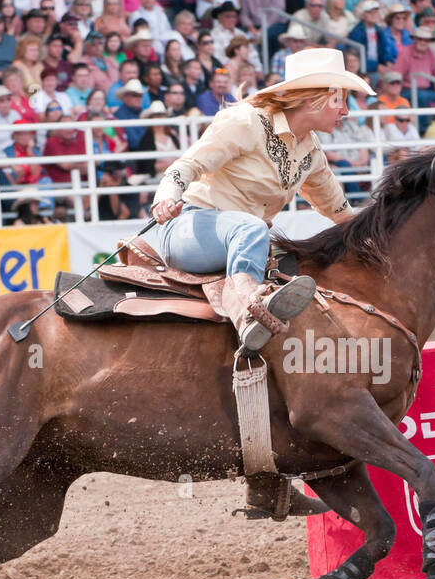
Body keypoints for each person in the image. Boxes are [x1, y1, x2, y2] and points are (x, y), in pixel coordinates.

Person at [150, 47, 371, 353]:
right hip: (187, 228)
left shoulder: (310, 150)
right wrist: (166, 198)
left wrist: (376, 241)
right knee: (253, 228)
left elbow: (338, 210)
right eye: (340, 100)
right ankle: (247, 312)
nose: (345, 110)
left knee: (291, 253)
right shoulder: (246, 122)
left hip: (243, 238)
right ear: (314, 99)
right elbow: (186, 167)